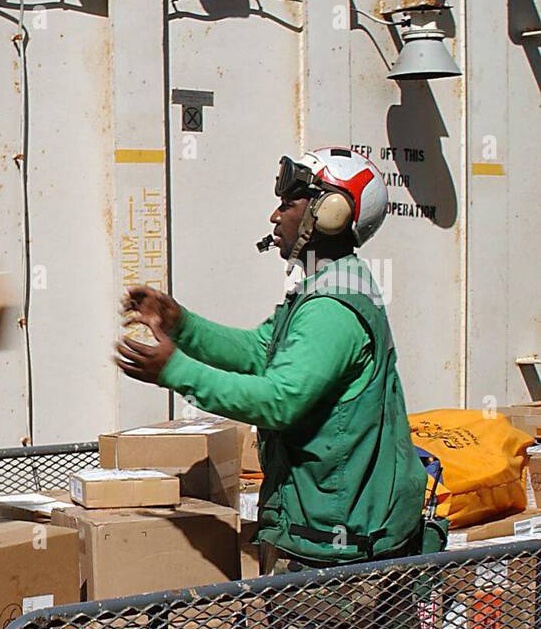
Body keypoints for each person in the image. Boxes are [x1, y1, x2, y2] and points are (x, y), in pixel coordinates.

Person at [116, 147, 427, 574]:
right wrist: (181, 325)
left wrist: (175, 371)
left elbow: (279, 402)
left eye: (288, 203)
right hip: (331, 528)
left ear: (330, 211)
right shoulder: (323, 288)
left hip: (339, 550)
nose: (275, 217)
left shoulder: (331, 308)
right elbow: (261, 351)